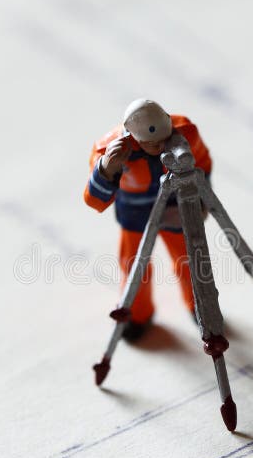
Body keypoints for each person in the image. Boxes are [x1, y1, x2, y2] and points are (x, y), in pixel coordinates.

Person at [83, 99, 212, 340]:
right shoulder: (107, 150)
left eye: (166, 139)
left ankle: (201, 305)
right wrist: (107, 170)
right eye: (153, 145)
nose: (162, 147)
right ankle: (137, 313)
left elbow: (202, 162)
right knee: (133, 263)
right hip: (135, 211)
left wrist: (203, 198)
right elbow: (93, 200)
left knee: (189, 256)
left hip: (176, 204)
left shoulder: (185, 132)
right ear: (135, 138)